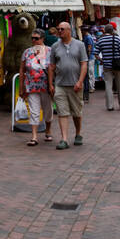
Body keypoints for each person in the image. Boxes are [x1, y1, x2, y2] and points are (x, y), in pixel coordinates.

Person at [50, 22, 89, 150]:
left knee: (77, 113)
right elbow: (51, 66)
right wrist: (51, 83)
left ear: (69, 30)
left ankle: (78, 134)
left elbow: (84, 64)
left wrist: (80, 81)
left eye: (62, 29)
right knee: (62, 112)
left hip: (75, 85)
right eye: (58, 29)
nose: (59, 31)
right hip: (60, 84)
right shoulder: (55, 46)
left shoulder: (80, 45)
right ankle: (64, 139)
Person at [20, 29, 53, 145]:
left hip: (46, 85)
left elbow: (52, 68)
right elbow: (22, 69)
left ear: (43, 38)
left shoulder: (49, 51)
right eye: (32, 38)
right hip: (31, 85)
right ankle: (34, 136)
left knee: (48, 110)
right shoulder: (27, 52)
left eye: (36, 38)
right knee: (34, 111)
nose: (33, 40)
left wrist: (51, 84)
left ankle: (48, 130)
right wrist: (21, 87)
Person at [94, 23, 120, 111]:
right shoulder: (117, 39)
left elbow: (96, 53)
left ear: (104, 31)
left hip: (107, 66)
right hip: (117, 65)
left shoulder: (100, 40)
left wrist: (102, 61)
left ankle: (110, 106)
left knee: (108, 85)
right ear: (112, 30)